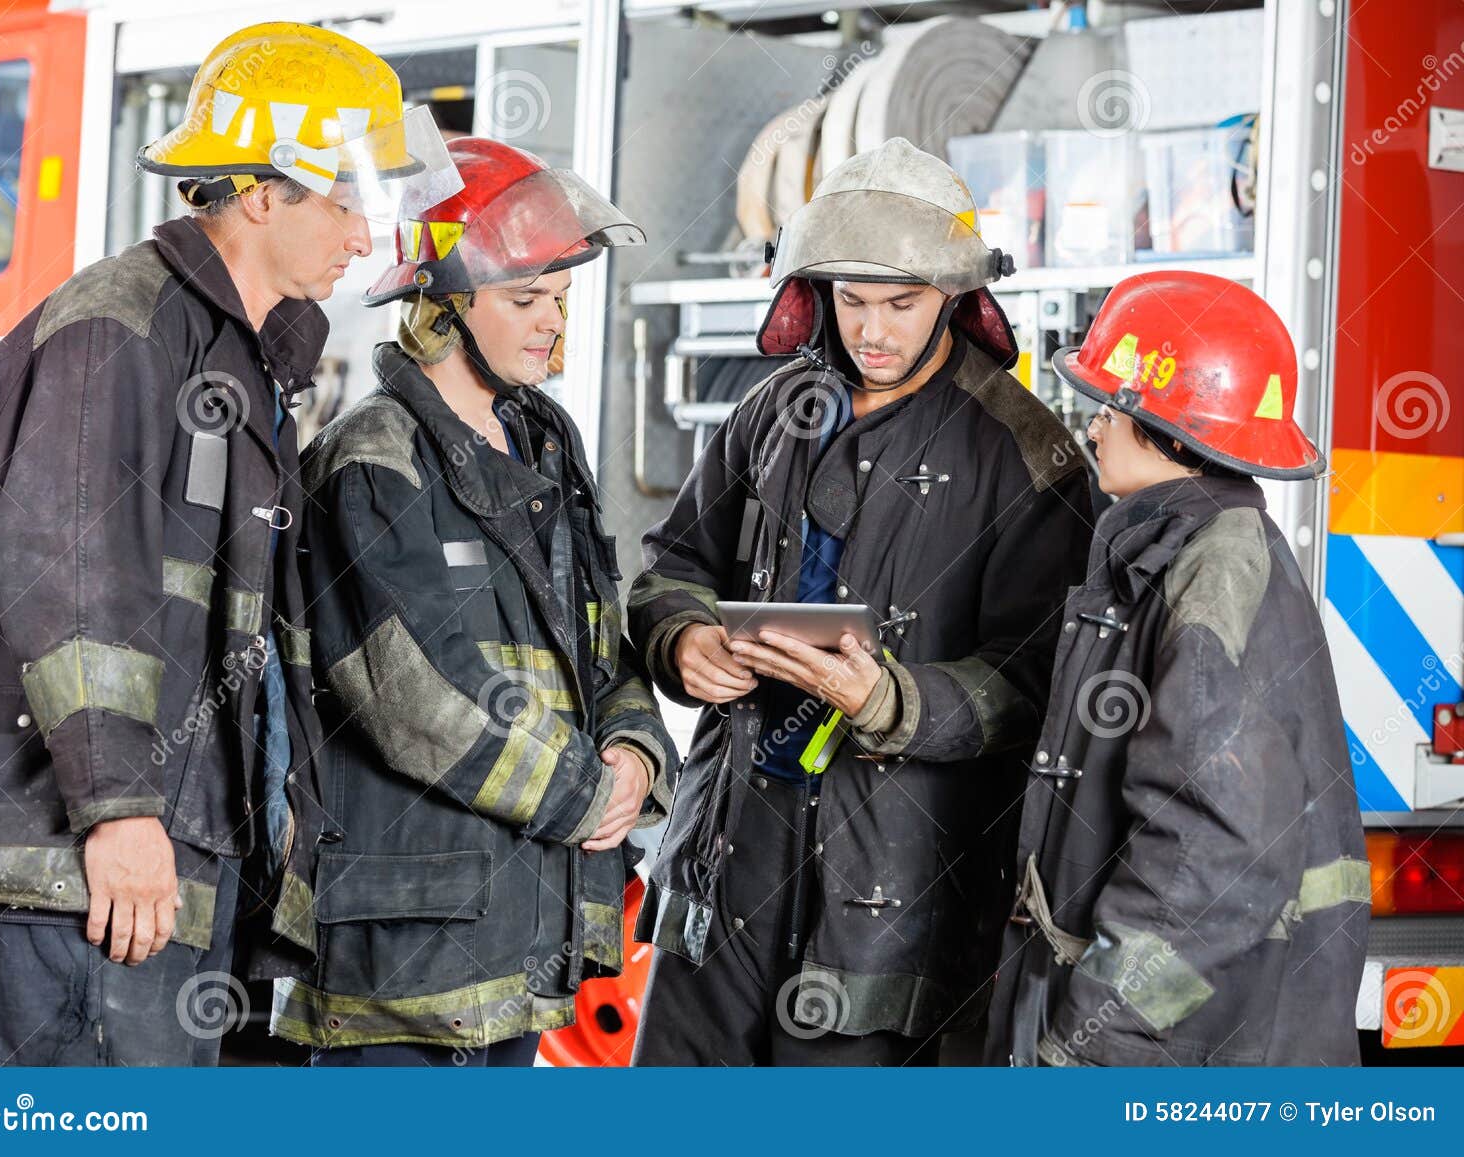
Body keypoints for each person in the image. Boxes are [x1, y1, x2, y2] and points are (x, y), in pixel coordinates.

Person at [0, 22, 458, 1066]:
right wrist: (121, 814)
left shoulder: (226, 351)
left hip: (159, 845)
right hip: (80, 858)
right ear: (265, 192)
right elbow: (78, 583)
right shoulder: (121, 332)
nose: (364, 237)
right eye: (346, 203)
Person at [626, 138, 1094, 1065]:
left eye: (901, 303)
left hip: (896, 900)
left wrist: (891, 703)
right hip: (729, 865)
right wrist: (680, 637)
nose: (872, 330)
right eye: (851, 300)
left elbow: (1041, 681)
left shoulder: (1025, 457)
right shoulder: (772, 413)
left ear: (956, 299)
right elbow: (672, 562)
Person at [279, 137, 675, 1066]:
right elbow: (413, 693)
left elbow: (594, 639)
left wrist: (634, 752)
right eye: (525, 299)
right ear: (443, 308)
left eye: (562, 299)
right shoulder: (374, 458)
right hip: (404, 954)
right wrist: (586, 793)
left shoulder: (541, 440)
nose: (553, 325)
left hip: (522, 935)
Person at [984, 271, 1370, 1066]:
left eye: (1108, 409)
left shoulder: (1214, 568)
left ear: (1165, 425)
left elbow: (1213, 857)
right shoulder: (1177, 546)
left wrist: (1098, 1037)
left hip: (1200, 1055)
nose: (1091, 430)